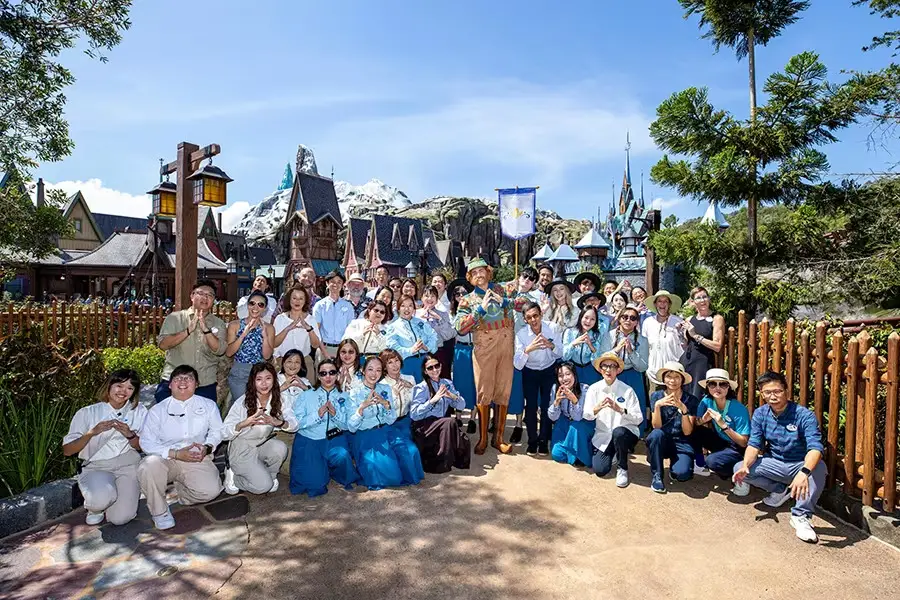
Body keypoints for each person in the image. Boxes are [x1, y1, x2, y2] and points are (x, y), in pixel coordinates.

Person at [733, 372, 826, 543]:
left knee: (819, 467)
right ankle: (779, 490)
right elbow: (754, 444)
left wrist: (804, 472)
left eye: (777, 391)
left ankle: (800, 516)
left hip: (799, 464)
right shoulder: (761, 414)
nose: (773, 396)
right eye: (767, 392)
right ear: (762, 394)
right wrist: (746, 464)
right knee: (739, 467)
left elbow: (815, 448)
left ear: (786, 391)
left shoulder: (803, 415)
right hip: (774, 462)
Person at [138, 365, 224, 530]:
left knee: (210, 492)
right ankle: (159, 512)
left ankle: (183, 492)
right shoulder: (157, 410)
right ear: (170, 385)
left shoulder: (208, 405)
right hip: (167, 459)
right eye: (178, 378)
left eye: (189, 378)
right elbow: (146, 442)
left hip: (196, 458)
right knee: (148, 466)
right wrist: (175, 453)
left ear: (197, 384)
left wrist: (207, 447)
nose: (183, 381)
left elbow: (217, 431)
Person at [454, 258, 526, 455]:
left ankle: (498, 438)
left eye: (481, 270)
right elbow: (459, 327)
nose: (478, 274)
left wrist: (506, 302)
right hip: (484, 348)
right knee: (484, 390)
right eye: (474, 272)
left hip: (506, 345)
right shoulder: (467, 300)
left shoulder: (506, 289)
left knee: (503, 388)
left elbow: (526, 304)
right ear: (469, 277)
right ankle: (483, 438)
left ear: (488, 272)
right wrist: (480, 310)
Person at [63, 369, 147, 526]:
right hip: (97, 466)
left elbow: (142, 447)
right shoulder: (88, 412)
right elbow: (68, 450)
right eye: (119, 386)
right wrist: (92, 433)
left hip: (128, 465)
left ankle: (122, 492)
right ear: (109, 386)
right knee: (100, 500)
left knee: (120, 519)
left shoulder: (139, 411)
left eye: (130, 388)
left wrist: (129, 434)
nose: (123, 392)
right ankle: (96, 508)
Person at [222, 362, 298, 495]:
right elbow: (224, 433)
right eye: (259, 379)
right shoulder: (243, 402)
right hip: (242, 448)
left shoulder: (280, 399)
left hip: (261, 444)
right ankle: (234, 476)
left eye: (268, 378)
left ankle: (270, 476)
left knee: (280, 448)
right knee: (263, 487)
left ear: (274, 380)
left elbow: (294, 424)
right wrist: (244, 424)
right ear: (252, 382)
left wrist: (278, 422)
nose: (264, 383)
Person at [289, 358, 360, 496]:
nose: (328, 377)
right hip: (309, 439)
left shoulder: (345, 396)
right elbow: (297, 423)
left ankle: (334, 471)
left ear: (337, 375)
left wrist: (335, 415)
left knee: (342, 456)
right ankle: (320, 468)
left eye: (332, 372)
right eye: (323, 373)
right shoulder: (306, 395)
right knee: (315, 486)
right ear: (318, 376)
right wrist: (317, 414)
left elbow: (348, 425)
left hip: (334, 438)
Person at [155, 280, 226, 404]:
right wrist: (188, 330)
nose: (205, 297)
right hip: (174, 382)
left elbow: (219, 350)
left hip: (205, 383)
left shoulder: (218, 323)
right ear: (192, 296)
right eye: (201, 293)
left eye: (210, 295)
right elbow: (163, 345)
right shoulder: (175, 318)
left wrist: (206, 330)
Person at [582, 352, 643, 488]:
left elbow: (638, 418)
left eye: (612, 366)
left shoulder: (627, 390)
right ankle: (615, 451)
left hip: (626, 434)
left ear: (618, 370)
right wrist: (596, 408)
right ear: (600, 369)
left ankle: (623, 468)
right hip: (603, 437)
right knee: (600, 470)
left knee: (619, 432)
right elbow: (587, 415)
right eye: (605, 366)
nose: (608, 370)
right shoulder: (594, 389)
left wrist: (620, 409)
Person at [346, 357, 408, 490]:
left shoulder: (385, 388)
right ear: (363, 371)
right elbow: (351, 427)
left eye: (378, 370)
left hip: (386, 431)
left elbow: (391, 420)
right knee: (389, 476)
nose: (374, 374)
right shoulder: (354, 393)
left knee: (410, 452)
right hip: (366, 435)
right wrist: (361, 408)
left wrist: (386, 404)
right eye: (370, 369)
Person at [514, 301, 563, 455]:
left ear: (541, 314)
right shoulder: (521, 334)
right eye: (529, 317)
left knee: (547, 405)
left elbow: (561, 353)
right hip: (530, 371)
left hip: (549, 370)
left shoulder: (553, 328)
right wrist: (528, 350)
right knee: (531, 407)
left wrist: (551, 346)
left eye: (536, 315)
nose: (533, 320)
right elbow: (518, 364)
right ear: (525, 319)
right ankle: (532, 441)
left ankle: (543, 441)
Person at [410, 354, 471, 473]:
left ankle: (448, 458)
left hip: (441, 423)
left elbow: (462, 406)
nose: (434, 370)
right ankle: (441, 462)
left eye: (436, 366)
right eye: (430, 368)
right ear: (425, 371)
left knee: (459, 434)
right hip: (424, 425)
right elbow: (414, 414)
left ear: (441, 366)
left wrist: (452, 396)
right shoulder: (421, 387)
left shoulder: (447, 383)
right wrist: (433, 400)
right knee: (450, 422)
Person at [646, 362, 700, 493]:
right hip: (662, 439)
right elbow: (656, 426)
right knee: (656, 434)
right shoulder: (656, 396)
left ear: (682, 380)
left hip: (682, 441)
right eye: (669, 376)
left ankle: (676, 468)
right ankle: (657, 475)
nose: (672, 380)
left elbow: (687, 432)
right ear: (664, 379)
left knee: (682, 475)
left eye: (677, 377)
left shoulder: (691, 400)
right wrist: (658, 406)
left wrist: (683, 410)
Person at [377, 350, 425, 485]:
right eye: (389, 362)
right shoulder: (382, 385)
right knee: (410, 450)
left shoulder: (409, 378)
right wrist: (394, 395)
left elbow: (418, 404)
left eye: (397, 360)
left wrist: (413, 389)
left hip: (409, 420)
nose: (394, 365)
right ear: (384, 367)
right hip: (391, 424)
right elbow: (385, 412)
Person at [693, 368, 750, 482]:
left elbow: (744, 442)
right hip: (721, 441)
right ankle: (699, 462)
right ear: (707, 387)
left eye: (722, 384)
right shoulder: (707, 400)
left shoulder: (738, 409)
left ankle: (740, 472)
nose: (717, 388)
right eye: (712, 384)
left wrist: (724, 426)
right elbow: (696, 423)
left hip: (737, 447)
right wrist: (703, 420)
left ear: (728, 387)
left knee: (712, 461)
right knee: (694, 430)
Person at [600, 305, 649, 434]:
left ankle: (634, 434)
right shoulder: (608, 336)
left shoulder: (642, 340)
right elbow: (602, 358)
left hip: (633, 374)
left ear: (637, 322)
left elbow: (643, 367)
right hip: (613, 374)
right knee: (613, 403)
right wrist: (616, 349)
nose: (628, 320)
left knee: (635, 404)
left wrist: (631, 351)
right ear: (619, 319)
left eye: (633, 318)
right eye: (625, 317)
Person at [225, 290, 275, 408]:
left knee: (259, 407)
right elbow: (229, 352)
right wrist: (243, 334)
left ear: (264, 309)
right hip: (240, 372)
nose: (255, 307)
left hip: (260, 372)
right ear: (247, 305)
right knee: (242, 406)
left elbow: (267, 356)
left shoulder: (269, 328)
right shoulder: (235, 325)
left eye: (260, 304)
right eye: (252, 303)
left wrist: (265, 336)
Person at [679, 286, 725, 399]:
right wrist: (680, 333)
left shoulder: (717, 318)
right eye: (698, 298)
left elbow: (717, 346)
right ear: (693, 302)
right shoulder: (690, 319)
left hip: (703, 363)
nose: (703, 300)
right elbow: (686, 344)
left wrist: (695, 335)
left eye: (705, 297)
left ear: (709, 299)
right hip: (687, 361)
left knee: (699, 397)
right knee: (685, 397)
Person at [547, 362, 593, 467]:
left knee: (576, 427)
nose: (564, 378)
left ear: (574, 375)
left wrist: (574, 401)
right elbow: (552, 417)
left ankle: (581, 453)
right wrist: (556, 402)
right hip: (565, 422)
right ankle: (574, 452)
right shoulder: (555, 388)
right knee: (556, 454)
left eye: (568, 374)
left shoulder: (585, 389)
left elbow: (578, 417)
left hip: (581, 423)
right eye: (560, 375)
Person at [385, 295, 438, 382]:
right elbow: (392, 347)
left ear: (414, 308)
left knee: (426, 391)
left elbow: (433, 335)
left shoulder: (421, 322)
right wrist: (410, 350)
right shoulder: (393, 327)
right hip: (406, 363)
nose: (407, 309)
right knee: (410, 391)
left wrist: (427, 347)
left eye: (410, 306)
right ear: (398, 309)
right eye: (403, 306)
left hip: (424, 362)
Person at [273, 286, 320, 383]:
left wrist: (309, 329)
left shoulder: (311, 319)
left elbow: (315, 344)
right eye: (294, 298)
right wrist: (287, 329)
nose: (297, 301)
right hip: (282, 362)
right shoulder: (280, 318)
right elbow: (274, 343)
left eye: (301, 298)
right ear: (289, 300)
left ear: (305, 301)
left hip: (305, 363)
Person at [448, 278, 477, 433]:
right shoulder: (452, 313)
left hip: (475, 348)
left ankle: (473, 417)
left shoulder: (476, 309)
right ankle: (459, 416)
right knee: (460, 383)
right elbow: (456, 330)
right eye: (457, 294)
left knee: (475, 383)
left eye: (464, 293)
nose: (460, 296)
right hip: (460, 348)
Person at [642, 290, 685, 390]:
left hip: (674, 374)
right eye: (659, 301)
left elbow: (685, 345)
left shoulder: (678, 322)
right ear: (655, 304)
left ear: (669, 304)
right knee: (655, 403)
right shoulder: (648, 322)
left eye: (665, 301)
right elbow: (644, 346)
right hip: (653, 373)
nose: (662, 304)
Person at [313, 270, 355, 360]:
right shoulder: (320, 305)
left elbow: (351, 330)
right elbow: (316, 331)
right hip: (324, 348)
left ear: (343, 285)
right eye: (332, 282)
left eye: (339, 282)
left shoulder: (348, 306)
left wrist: (345, 351)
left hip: (343, 349)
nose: (335, 284)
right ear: (327, 283)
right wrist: (325, 352)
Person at [417, 285, 456, 377]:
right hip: (421, 353)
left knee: (442, 379)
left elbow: (449, 335)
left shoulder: (443, 314)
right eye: (426, 296)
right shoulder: (415, 314)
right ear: (421, 297)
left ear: (437, 299)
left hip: (439, 352)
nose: (429, 298)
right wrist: (420, 320)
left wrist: (439, 319)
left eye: (433, 296)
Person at [563, 305, 607, 386]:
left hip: (590, 370)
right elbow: (565, 356)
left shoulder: (597, 335)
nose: (588, 321)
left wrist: (590, 345)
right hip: (573, 370)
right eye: (586, 317)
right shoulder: (569, 332)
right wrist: (574, 343)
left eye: (592, 319)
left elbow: (596, 360)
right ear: (581, 317)